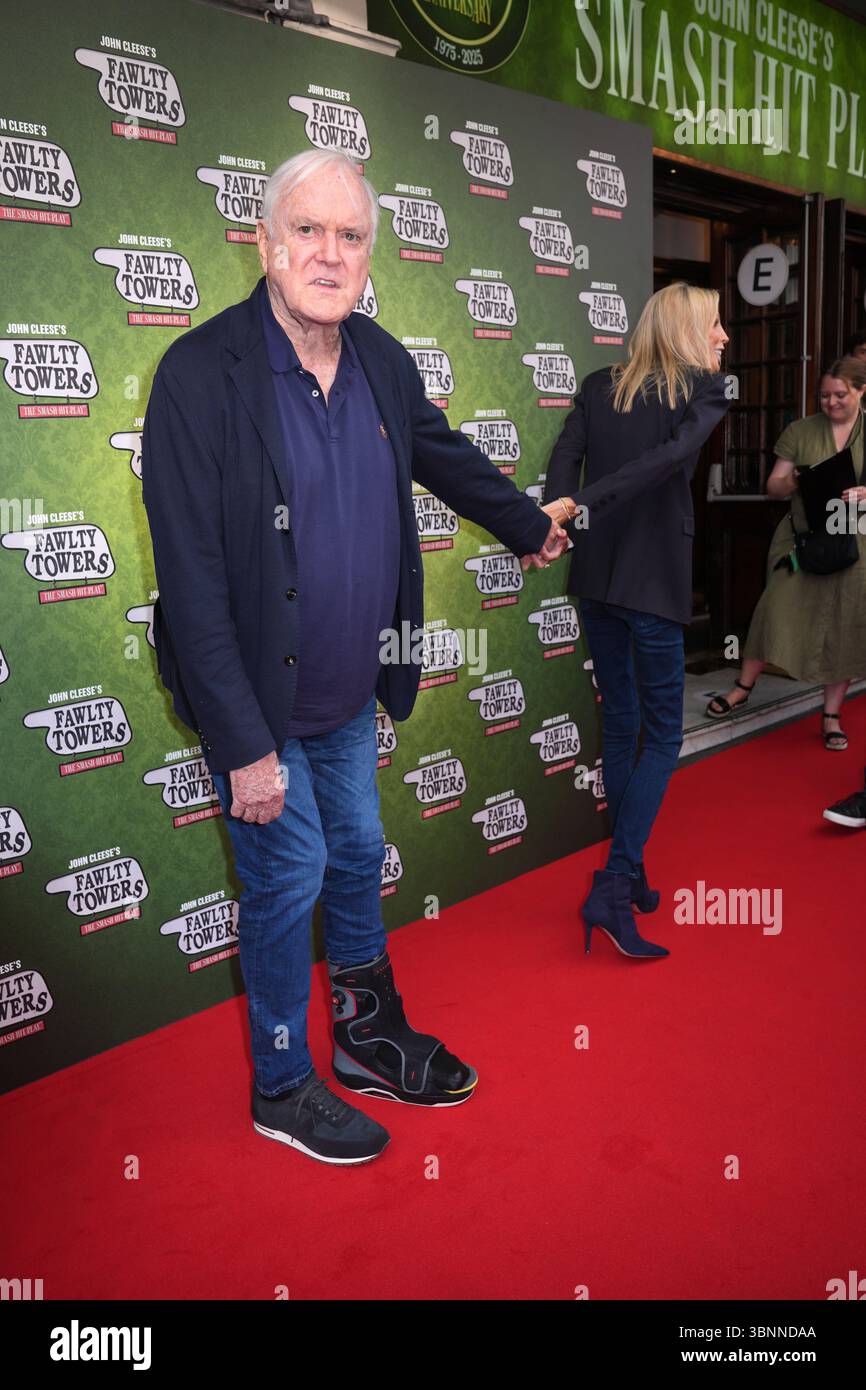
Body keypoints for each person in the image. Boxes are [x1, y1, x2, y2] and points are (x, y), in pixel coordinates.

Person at [141, 149, 567, 1167]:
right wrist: (243, 748)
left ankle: (369, 1039)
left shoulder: (379, 355)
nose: (329, 254)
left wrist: (522, 525)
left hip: (346, 691)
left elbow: (442, 453)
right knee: (286, 879)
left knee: (352, 858)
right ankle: (283, 1081)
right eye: (308, 230)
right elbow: (192, 584)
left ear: (368, 253)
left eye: (350, 235)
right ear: (265, 240)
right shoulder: (199, 377)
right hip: (258, 708)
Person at [540, 283, 730, 958]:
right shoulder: (707, 390)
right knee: (660, 735)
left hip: (597, 575)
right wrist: (571, 506)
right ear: (686, 328)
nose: (724, 338)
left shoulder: (601, 385)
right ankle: (617, 881)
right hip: (650, 582)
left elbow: (567, 462)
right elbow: (670, 460)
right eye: (715, 325)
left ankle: (632, 870)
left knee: (621, 726)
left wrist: (567, 512)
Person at [706, 357, 866, 751]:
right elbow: (774, 486)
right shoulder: (800, 430)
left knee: (845, 626)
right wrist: (797, 479)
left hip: (856, 541)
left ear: (862, 391)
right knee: (772, 610)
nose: (830, 403)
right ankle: (742, 687)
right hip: (802, 540)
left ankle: (831, 715)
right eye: (824, 395)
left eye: (840, 395)